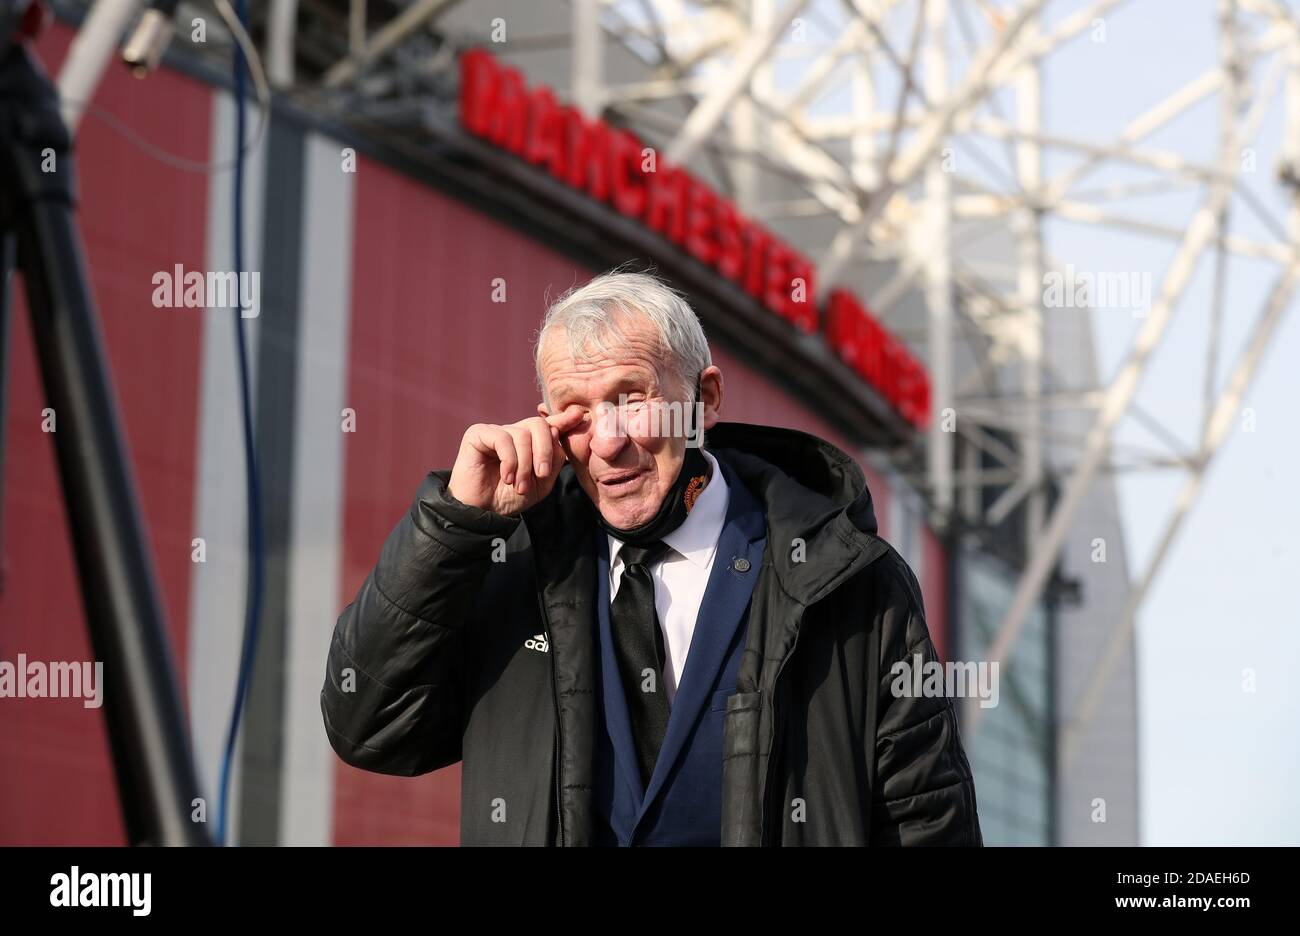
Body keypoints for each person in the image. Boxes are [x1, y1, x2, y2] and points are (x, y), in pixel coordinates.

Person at [320, 270, 982, 846]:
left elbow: (925, 820)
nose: (607, 442)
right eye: (574, 412)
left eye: (631, 400)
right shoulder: (504, 569)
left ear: (706, 399)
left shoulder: (850, 583)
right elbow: (369, 727)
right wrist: (453, 526)